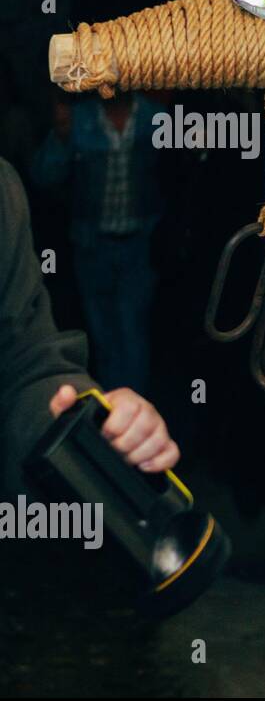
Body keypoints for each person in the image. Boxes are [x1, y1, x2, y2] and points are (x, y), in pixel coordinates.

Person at [0, 157, 178, 499]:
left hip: (133, 247)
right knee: (112, 335)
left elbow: (25, 362)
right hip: (92, 248)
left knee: (129, 334)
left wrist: (96, 425)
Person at [30, 92, 167, 394]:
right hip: (92, 246)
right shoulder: (80, 118)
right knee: (103, 335)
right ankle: (111, 418)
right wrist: (61, 137)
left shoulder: (156, 116)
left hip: (140, 245)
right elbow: (43, 176)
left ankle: (135, 412)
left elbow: (177, 174)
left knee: (134, 333)